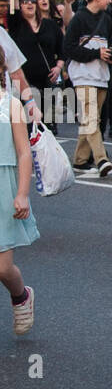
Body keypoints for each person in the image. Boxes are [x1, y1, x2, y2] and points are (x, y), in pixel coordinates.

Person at [0, 37, 39, 335]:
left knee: (2, 268)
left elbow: (24, 152)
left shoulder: (10, 104)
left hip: (4, 191)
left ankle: (20, 295)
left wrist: (23, 193)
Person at [63, 0, 112, 177]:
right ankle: (101, 158)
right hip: (83, 75)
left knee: (91, 118)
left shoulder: (106, 18)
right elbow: (68, 49)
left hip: (101, 75)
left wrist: (110, 55)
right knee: (91, 118)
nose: (110, 0)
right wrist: (96, 54)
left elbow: (108, 44)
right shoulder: (78, 19)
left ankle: (80, 160)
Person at [10, 0, 65, 134]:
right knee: (29, 124)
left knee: (48, 126)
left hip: (48, 80)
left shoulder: (49, 25)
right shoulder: (17, 26)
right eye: (25, 1)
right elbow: (11, 10)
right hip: (25, 82)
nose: (30, 4)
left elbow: (63, 47)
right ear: (20, 6)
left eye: (33, 1)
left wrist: (59, 66)